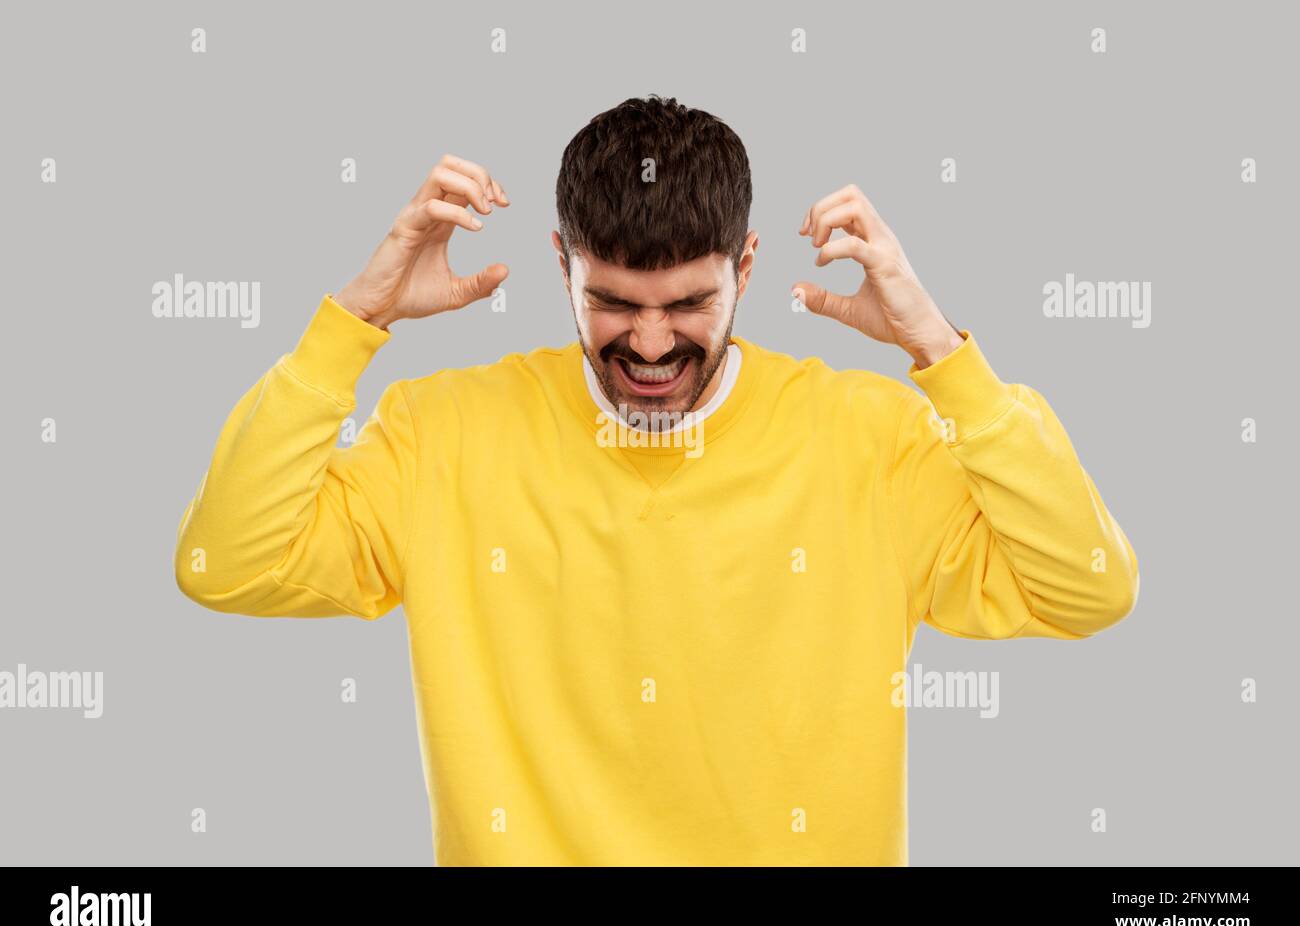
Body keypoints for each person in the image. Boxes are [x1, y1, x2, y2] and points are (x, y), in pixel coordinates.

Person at [174, 95, 1139, 865]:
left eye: (687, 303)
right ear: (563, 266)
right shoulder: (445, 432)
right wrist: (355, 320)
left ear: (746, 268)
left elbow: (1087, 588)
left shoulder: (867, 437)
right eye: (611, 302)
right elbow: (228, 563)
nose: (647, 343)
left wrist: (943, 355)